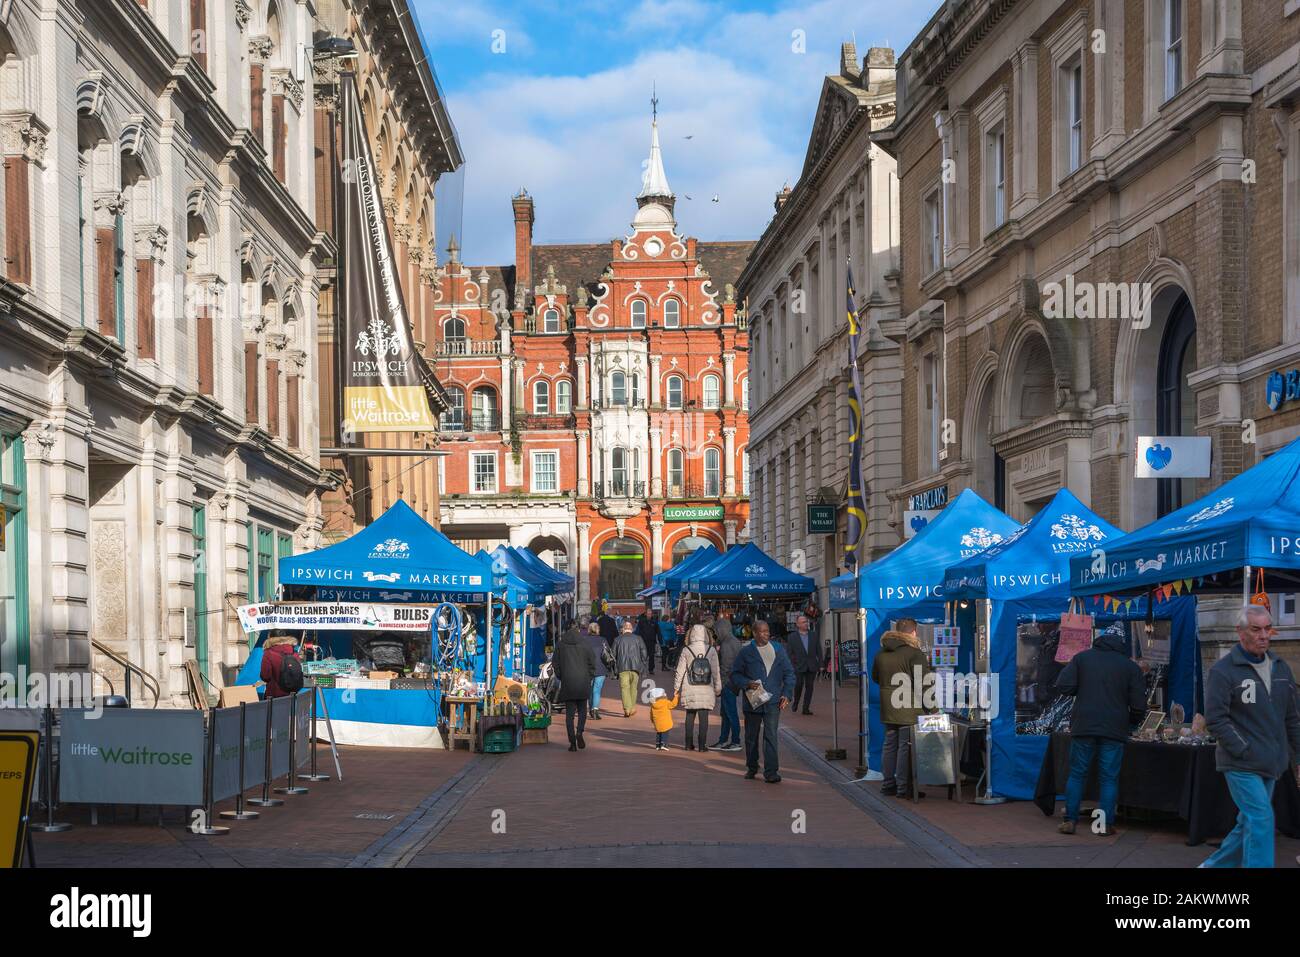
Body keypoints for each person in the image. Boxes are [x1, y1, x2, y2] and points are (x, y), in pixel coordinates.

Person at [1201, 605, 1300, 868]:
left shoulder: (1281, 669)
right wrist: (1243, 748)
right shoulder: (1223, 671)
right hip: (1240, 762)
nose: (1264, 635)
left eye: (1268, 628)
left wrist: (1297, 755)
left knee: (1249, 822)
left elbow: (1292, 718)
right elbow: (1215, 719)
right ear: (1241, 632)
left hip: (1272, 762)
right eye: (1256, 629)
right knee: (1262, 819)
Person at [1052, 622, 1146, 835]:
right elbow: (1139, 705)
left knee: (1077, 774)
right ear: (1121, 641)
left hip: (1083, 724)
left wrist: (1081, 689)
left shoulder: (1082, 658)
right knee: (1108, 778)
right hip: (1114, 728)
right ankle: (1103, 825)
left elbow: (1063, 685)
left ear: (1101, 638)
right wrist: (1131, 723)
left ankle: (1070, 821)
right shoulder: (1130, 667)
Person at [729, 620, 795, 782]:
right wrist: (746, 683)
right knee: (751, 737)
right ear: (754, 633)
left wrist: (786, 694)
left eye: (767, 631)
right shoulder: (746, 652)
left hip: (773, 701)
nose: (766, 634)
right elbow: (735, 674)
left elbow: (789, 674)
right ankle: (752, 767)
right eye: (763, 631)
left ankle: (771, 772)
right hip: (753, 701)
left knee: (771, 736)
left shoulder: (778, 649)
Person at [871, 618, 930, 798]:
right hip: (908, 707)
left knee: (890, 745)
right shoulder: (914, 654)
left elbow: (875, 677)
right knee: (905, 746)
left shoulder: (881, 653)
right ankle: (904, 788)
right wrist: (933, 708)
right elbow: (923, 684)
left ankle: (888, 784)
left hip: (889, 706)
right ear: (913, 633)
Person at [673, 623, 722, 751]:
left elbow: (680, 671)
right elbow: (716, 671)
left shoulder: (686, 650)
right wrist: (718, 688)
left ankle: (688, 745)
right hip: (706, 688)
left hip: (690, 686)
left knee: (689, 716)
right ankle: (702, 745)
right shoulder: (711, 650)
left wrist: (676, 687)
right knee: (704, 717)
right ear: (705, 634)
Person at [551, 623, 599, 751]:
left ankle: (572, 742)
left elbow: (555, 663)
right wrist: (589, 676)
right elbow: (592, 662)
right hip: (583, 681)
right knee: (582, 710)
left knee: (570, 714)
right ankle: (580, 732)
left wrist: (562, 676)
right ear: (578, 630)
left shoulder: (561, 645)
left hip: (568, 682)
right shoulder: (585, 644)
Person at [710, 617, 744, 751]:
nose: (716, 633)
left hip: (728, 683)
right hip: (733, 682)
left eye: (717, 630)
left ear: (721, 629)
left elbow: (726, 666)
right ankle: (723, 740)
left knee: (730, 713)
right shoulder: (735, 641)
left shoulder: (727, 643)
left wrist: (720, 685)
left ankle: (735, 741)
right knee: (726, 713)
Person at [786, 613, 822, 715]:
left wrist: (821, 664)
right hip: (798, 666)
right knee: (798, 685)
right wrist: (791, 666)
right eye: (803, 622)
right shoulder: (792, 637)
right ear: (797, 624)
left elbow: (818, 650)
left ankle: (805, 708)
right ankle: (796, 702)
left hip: (811, 665)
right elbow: (789, 653)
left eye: (806, 621)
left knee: (809, 687)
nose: (806, 623)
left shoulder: (813, 635)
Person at [613, 620, 649, 717]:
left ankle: (627, 709)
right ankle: (632, 707)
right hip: (636, 667)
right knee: (634, 688)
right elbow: (644, 652)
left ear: (623, 629)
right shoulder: (638, 638)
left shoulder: (617, 639)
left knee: (625, 688)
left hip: (622, 667)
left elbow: (613, 654)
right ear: (631, 629)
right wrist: (643, 663)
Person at [581, 615, 609, 720]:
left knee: (590, 689)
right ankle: (595, 709)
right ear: (598, 630)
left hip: (588, 668)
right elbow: (608, 653)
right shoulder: (603, 640)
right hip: (601, 668)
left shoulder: (584, 640)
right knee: (597, 690)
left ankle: (591, 709)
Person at [260, 634, 303, 698]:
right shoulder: (294, 652)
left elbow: (266, 676)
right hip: (292, 694)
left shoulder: (268, 653)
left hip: (274, 695)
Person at [637, 610, 660, 675]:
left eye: (650, 614)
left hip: (652, 642)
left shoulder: (654, 622)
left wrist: (660, 641)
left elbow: (658, 632)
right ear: (646, 614)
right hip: (643, 642)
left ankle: (651, 669)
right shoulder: (641, 622)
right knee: (643, 656)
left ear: (652, 614)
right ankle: (642, 669)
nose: (649, 615)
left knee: (651, 656)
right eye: (648, 614)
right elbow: (638, 631)